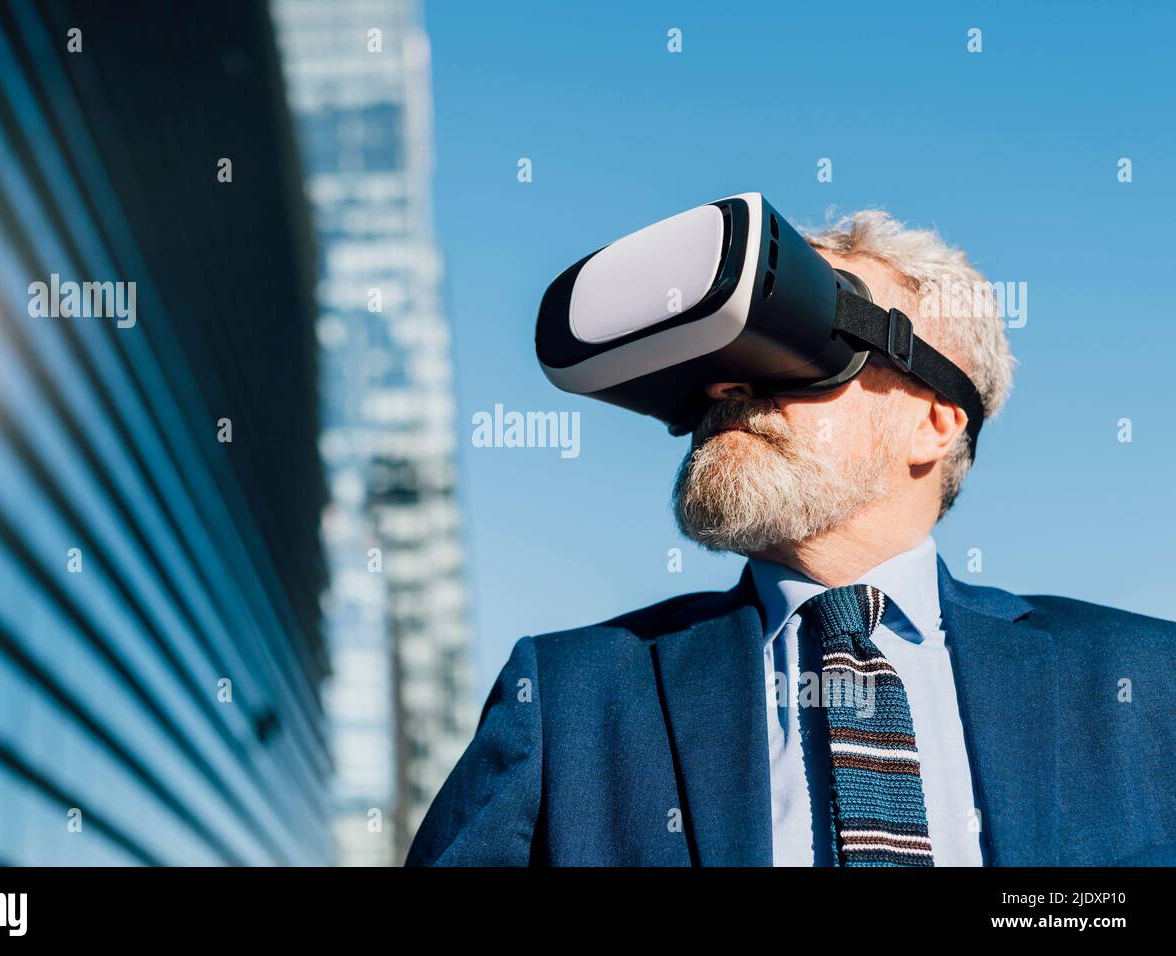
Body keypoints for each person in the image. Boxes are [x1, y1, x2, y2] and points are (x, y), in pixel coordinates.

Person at [406, 210, 1176, 866]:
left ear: (934, 421)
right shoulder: (569, 700)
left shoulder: (1147, 682)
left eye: (802, 341)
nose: (726, 386)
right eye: (720, 359)